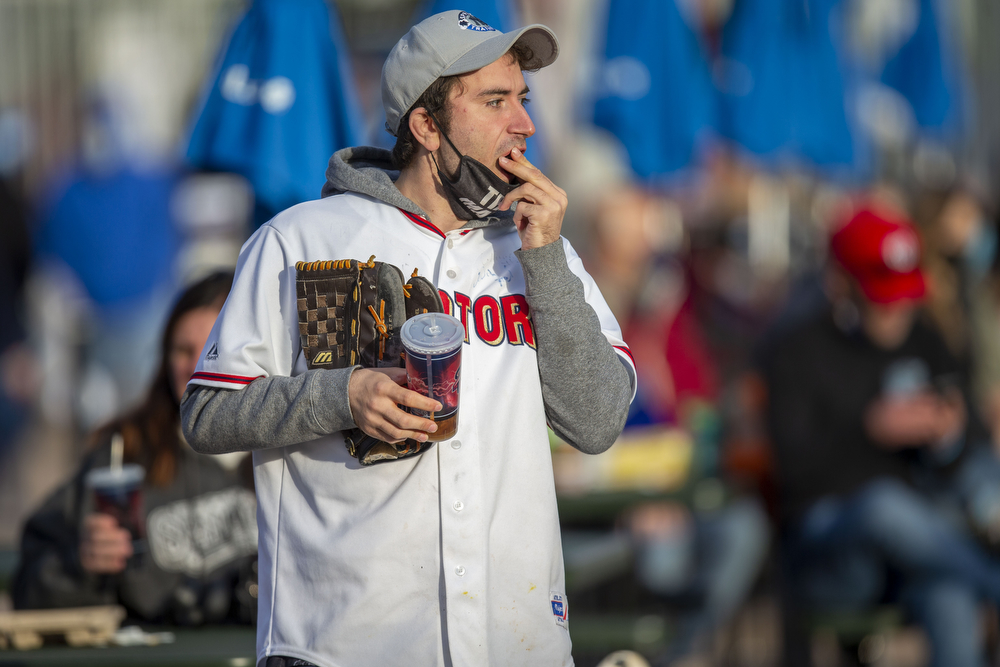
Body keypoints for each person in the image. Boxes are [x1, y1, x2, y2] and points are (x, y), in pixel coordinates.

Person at [180, 10, 635, 667]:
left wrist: (544, 260)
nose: (524, 124)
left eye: (523, 99)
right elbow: (207, 413)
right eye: (495, 101)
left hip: (516, 646)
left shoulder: (542, 249)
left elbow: (597, 421)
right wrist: (342, 395)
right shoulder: (301, 238)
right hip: (342, 645)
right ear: (425, 125)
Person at [763, 204, 1000, 667]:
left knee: (949, 594)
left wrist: (947, 436)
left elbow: (966, 443)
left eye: (904, 294)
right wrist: (869, 430)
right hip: (834, 560)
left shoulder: (924, 340)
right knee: (883, 507)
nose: (897, 309)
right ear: (841, 285)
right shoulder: (797, 350)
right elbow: (793, 472)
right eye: (882, 296)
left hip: (921, 553)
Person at [13, 271, 258, 626]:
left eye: (211, 349)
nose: (195, 366)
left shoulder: (290, 450)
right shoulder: (123, 453)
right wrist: (81, 564)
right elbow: (29, 585)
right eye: (182, 350)